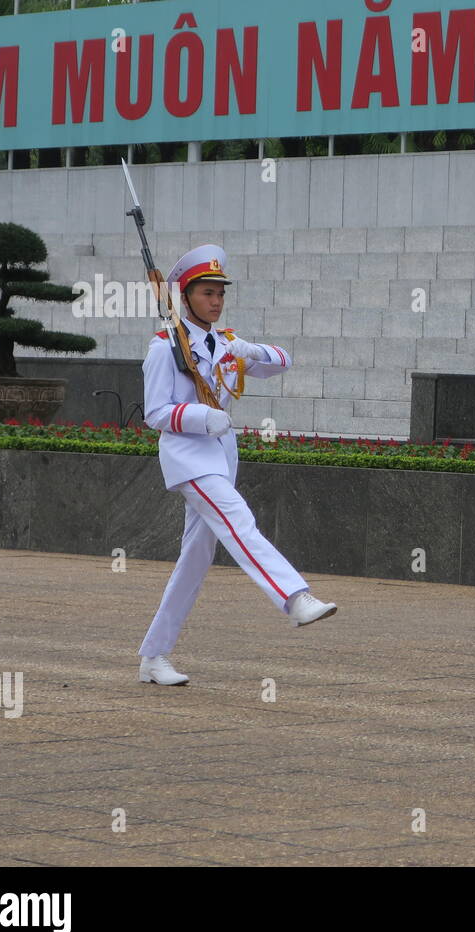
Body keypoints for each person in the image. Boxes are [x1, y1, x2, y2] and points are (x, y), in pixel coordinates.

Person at [137, 244, 337, 686]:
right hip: (189, 458)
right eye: (207, 293)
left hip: (221, 457)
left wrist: (249, 350)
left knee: (194, 560)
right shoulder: (164, 348)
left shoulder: (223, 343)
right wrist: (200, 417)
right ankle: (294, 597)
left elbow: (282, 361)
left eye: (219, 294)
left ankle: (154, 656)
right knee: (239, 521)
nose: (215, 301)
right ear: (185, 297)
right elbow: (155, 413)